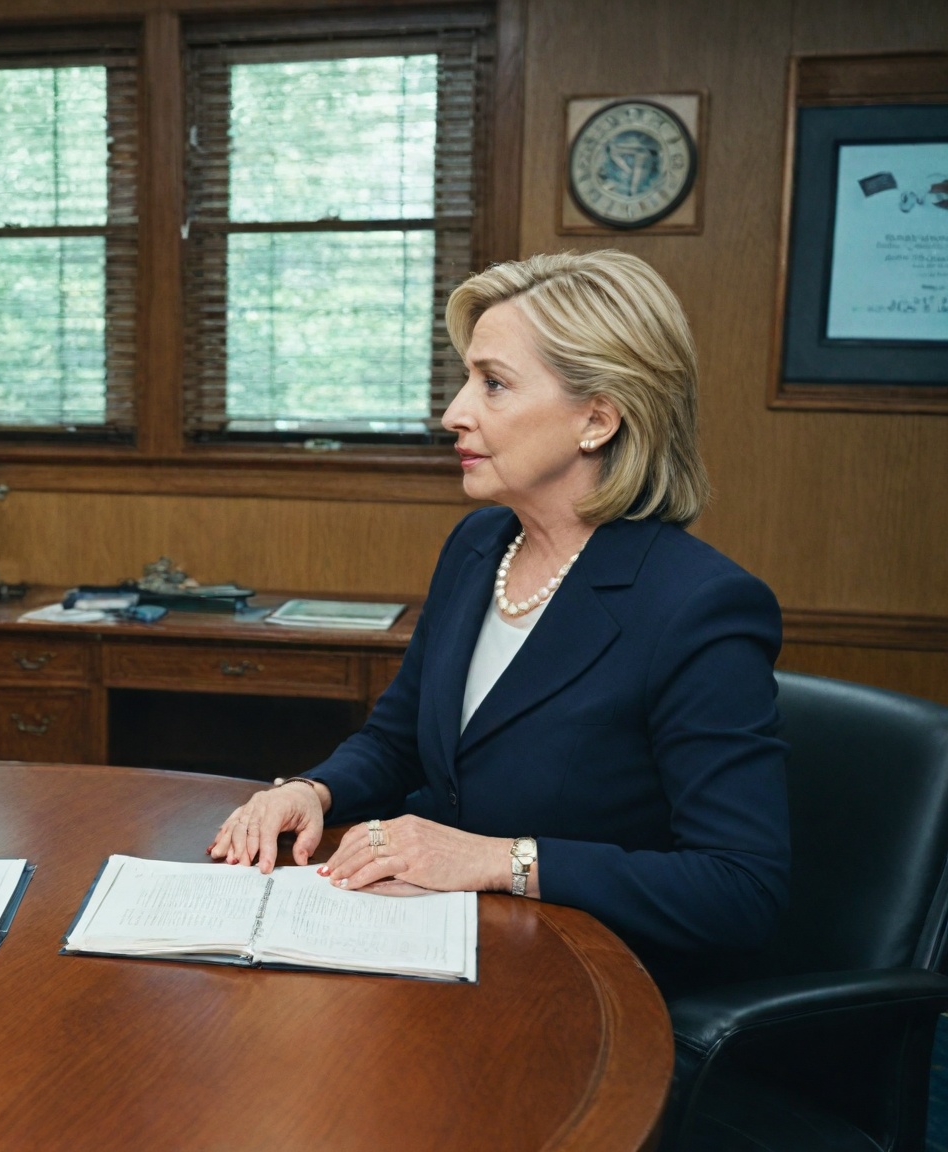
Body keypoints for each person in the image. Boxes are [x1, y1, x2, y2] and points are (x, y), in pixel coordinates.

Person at [209, 250, 789, 994]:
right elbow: (399, 741)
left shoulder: (698, 606)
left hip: (594, 988)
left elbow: (741, 891)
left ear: (598, 419)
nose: (454, 412)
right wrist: (313, 792)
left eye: (493, 384)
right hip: (447, 947)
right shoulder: (479, 545)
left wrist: (497, 859)